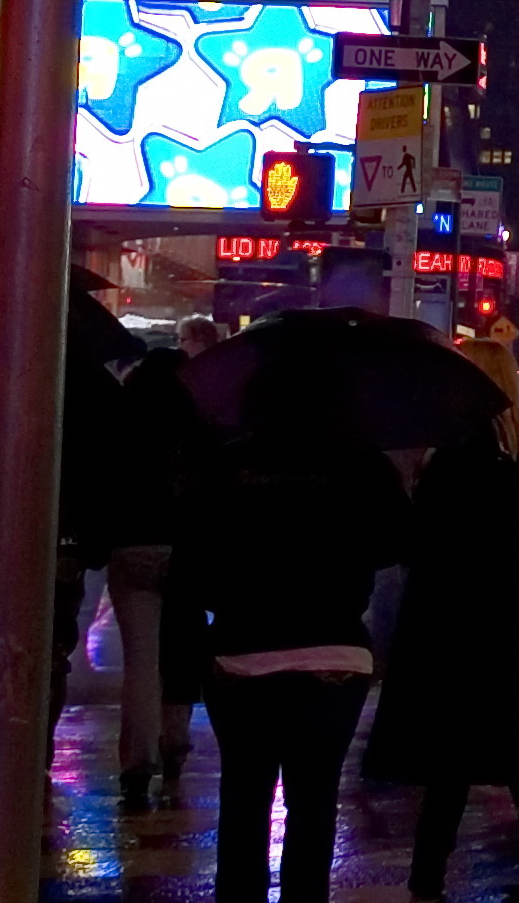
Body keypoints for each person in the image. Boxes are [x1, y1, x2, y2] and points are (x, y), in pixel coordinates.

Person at [172, 373, 410, 903]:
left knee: (243, 794)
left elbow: (190, 560)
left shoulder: (229, 466)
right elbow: (395, 543)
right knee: (316, 797)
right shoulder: (362, 464)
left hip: (242, 651)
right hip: (334, 651)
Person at [365, 342, 519, 903]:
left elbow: (414, 548)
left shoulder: (455, 467)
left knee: (457, 759)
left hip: (452, 631)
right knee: (506, 757)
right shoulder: (503, 466)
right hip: (496, 631)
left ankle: (435, 875)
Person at [98, 348, 207, 808]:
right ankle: (176, 743)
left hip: (131, 547)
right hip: (184, 550)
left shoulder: (120, 423)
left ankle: (136, 764)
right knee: (181, 648)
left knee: (141, 662)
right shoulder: (197, 428)